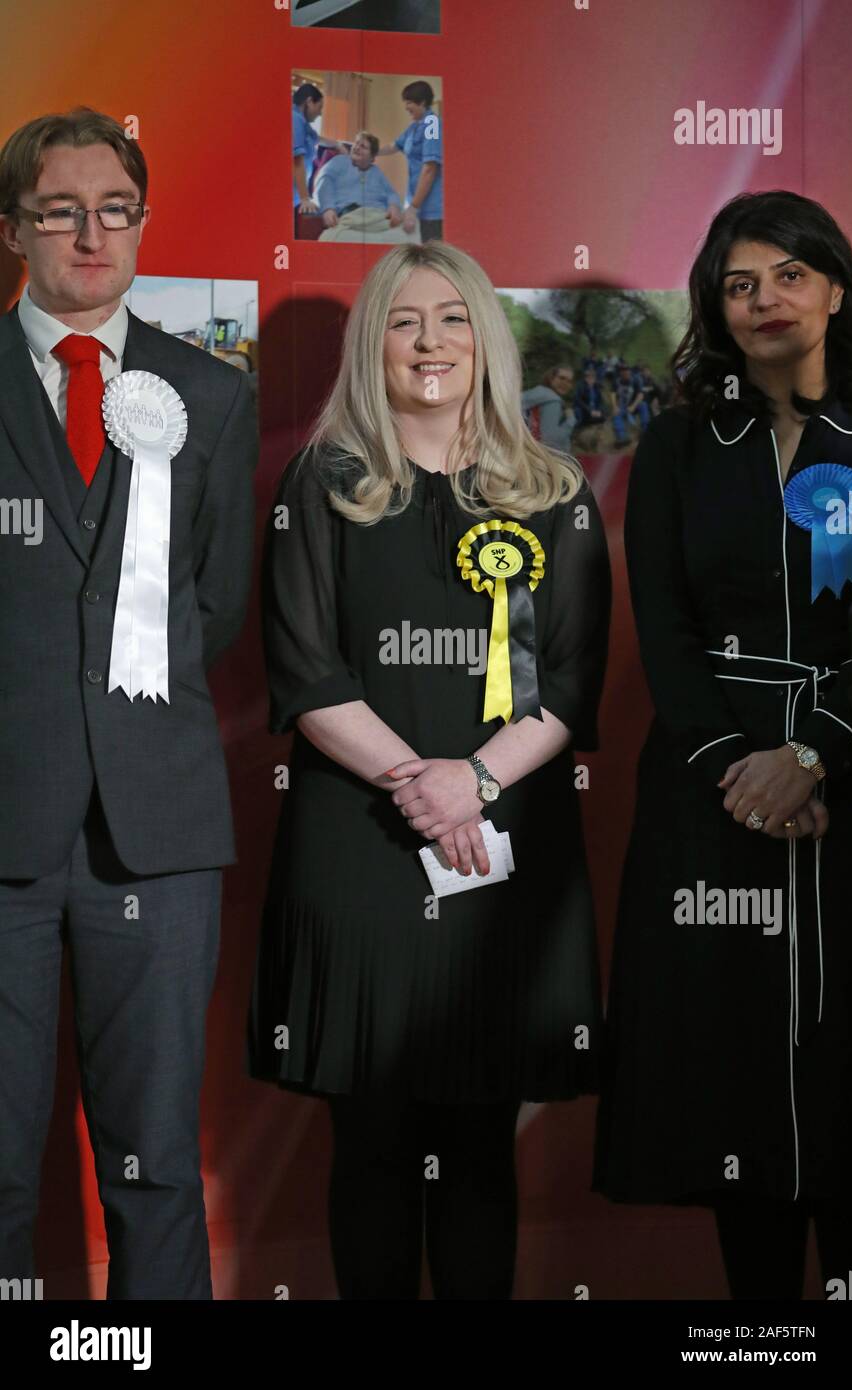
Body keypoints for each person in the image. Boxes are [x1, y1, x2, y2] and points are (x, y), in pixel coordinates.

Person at [248, 240, 610, 1300]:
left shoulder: (552, 491)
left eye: (451, 318)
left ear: (485, 339)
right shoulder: (322, 483)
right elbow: (304, 671)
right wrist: (426, 783)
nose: (429, 342)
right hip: (358, 850)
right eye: (404, 321)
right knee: (369, 1135)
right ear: (374, 344)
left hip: (505, 855)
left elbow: (575, 677)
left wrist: (478, 782)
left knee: (477, 1135)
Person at [0, 108, 257, 1298]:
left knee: (153, 1164)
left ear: (143, 222)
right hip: (3, 826)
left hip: (155, 831)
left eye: (115, 208)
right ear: (16, 229)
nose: (91, 233)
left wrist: (120, 717)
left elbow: (213, 603)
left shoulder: (209, 387)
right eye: (61, 209)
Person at [594, 190, 852, 1300]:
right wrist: (736, 768)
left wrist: (815, 751)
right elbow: (661, 625)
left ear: (835, 287)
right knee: (735, 1090)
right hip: (713, 804)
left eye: (785, 276)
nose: (761, 301)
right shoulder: (675, 445)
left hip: (849, 784)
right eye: (737, 283)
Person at [316, 132, 411, 244]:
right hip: (351, 218)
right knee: (329, 239)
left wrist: (394, 206)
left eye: (363, 146)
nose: (357, 147)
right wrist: (328, 208)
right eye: (356, 143)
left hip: (378, 218)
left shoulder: (377, 172)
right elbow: (324, 182)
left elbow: (391, 193)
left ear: (372, 158)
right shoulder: (338, 161)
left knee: (411, 233)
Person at [378, 81, 443, 243]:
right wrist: (373, 152)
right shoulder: (414, 127)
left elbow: (430, 168)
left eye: (409, 102)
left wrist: (413, 208)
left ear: (422, 102)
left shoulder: (432, 124)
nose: (406, 107)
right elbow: (395, 145)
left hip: (431, 208)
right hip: (417, 203)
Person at [292, 83, 347, 224]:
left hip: (296, 197)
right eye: (319, 107)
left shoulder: (303, 123)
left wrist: (337, 144)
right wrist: (305, 199)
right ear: (309, 102)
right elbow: (297, 161)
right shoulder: (295, 119)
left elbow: (317, 139)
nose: (320, 113)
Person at [521, 364, 576, 450]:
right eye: (562, 378)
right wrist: (571, 420)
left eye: (569, 381)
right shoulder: (553, 401)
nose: (565, 383)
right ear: (551, 378)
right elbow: (550, 440)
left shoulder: (536, 393)